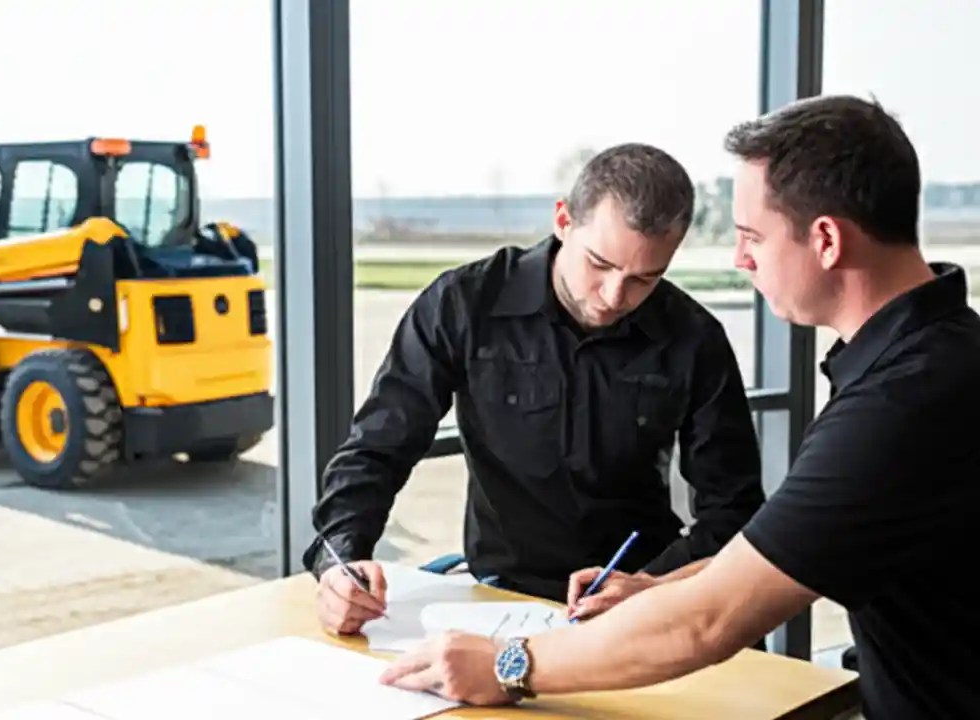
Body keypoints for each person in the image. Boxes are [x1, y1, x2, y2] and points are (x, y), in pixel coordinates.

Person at [377, 94, 980, 718]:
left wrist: (511, 665)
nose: (740, 259)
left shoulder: (901, 402)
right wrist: (654, 587)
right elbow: (758, 566)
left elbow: (710, 620)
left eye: (751, 236)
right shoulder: (942, 357)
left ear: (825, 240)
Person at [306, 142, 765, 636]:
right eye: (600, 265)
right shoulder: (463, 305)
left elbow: (733, 511)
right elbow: (377, 448)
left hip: (642, 601)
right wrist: (341, 559)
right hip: (499, 597)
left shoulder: (694, 337)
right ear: (563, 220)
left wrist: (651, 585)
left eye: (644, 280)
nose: (615, 297)